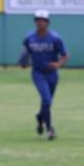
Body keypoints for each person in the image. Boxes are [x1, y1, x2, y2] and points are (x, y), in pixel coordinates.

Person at [18, 9, 68, 140]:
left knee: (47, 103)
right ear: (35, 22)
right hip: (38, 73)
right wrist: (23, 61)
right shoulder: (30, 38)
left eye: (43, 21)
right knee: (46, 99)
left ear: (48, 23)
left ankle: (40, 118)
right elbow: (25, 53)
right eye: (38, 20)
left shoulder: (55, 38)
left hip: (52, 74)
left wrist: (58, 64)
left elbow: (65, 55)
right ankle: (50, 129)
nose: (40, 23)